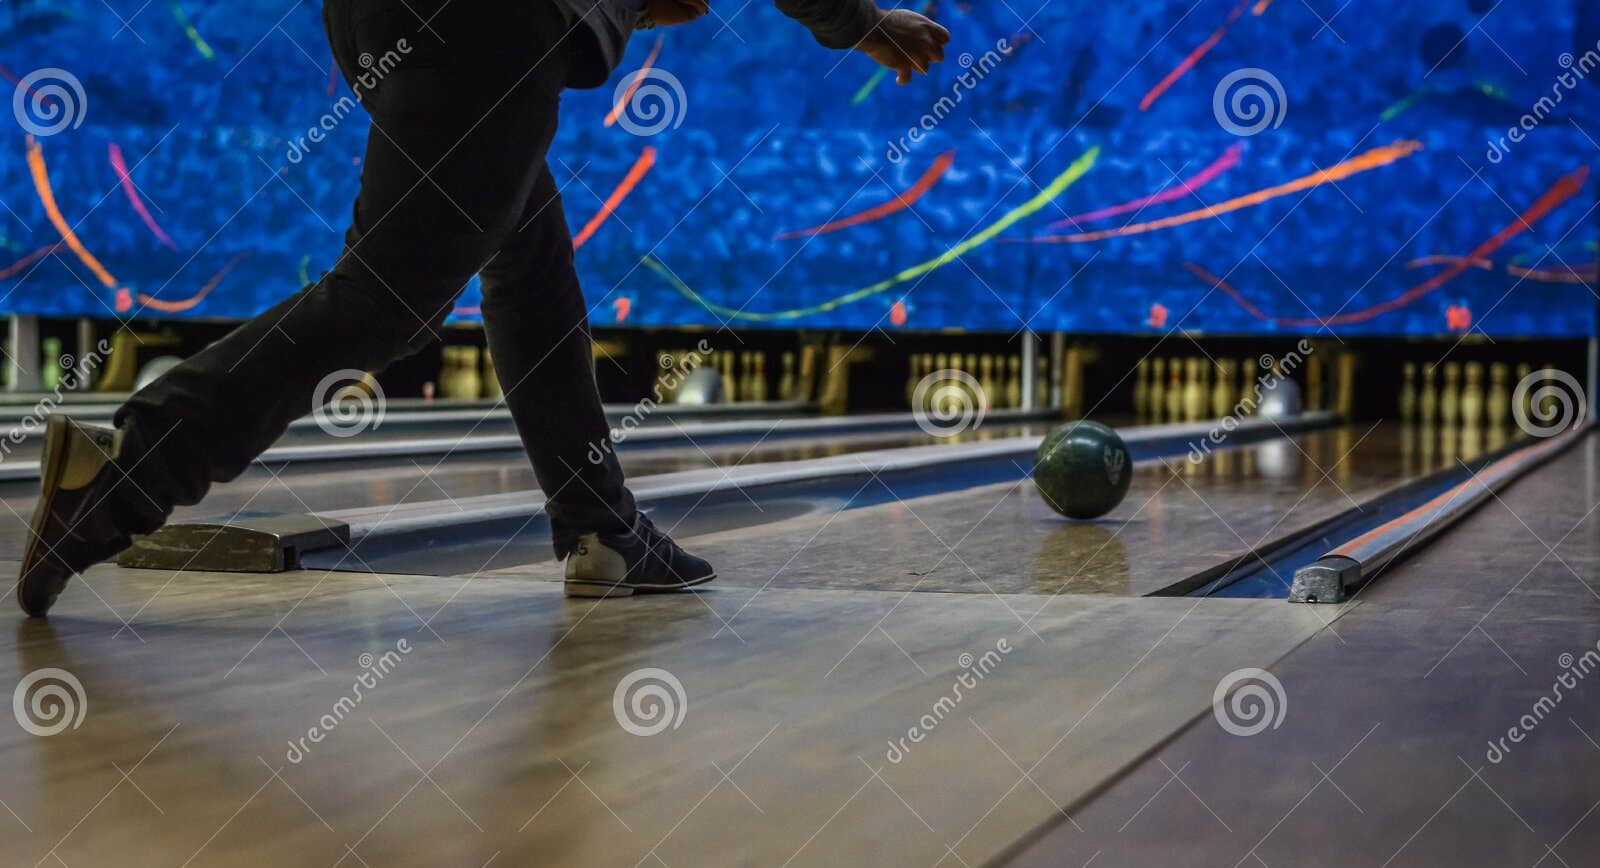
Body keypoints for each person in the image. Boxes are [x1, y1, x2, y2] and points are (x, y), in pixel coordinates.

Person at [17, 0, 950, 617]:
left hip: (386, 24)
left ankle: (603, 528)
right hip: (491, 25)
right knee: (387, 298)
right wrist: (857, 22)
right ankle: (126, 470)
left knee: (529, 266)